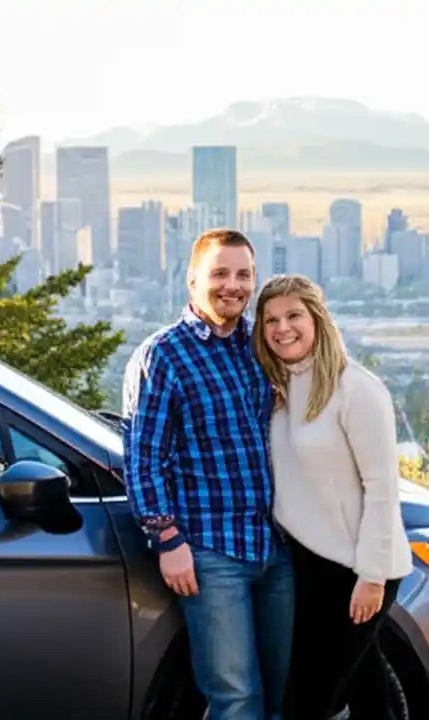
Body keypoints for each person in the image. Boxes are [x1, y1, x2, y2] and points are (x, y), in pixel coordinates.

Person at [123, 228, 294, 720]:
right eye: (220, 273)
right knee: (236, 698)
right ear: (193, 280)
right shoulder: (163, 356)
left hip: (276, 547)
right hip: (211, 553)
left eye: (243, 275)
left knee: (286, 693)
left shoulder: (259, 348)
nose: (233, 285)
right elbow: (143, 456)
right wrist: (167, 539)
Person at [253, 274, 413, 720]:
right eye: (270, 320)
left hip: (353, 570)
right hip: (307, 565)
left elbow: (382, 489)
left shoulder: (357, 390)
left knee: (306, 700)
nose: (282, 328)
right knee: (368, 691)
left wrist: (372, 576)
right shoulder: (278, 389)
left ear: (317, 319)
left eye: (293, 316)